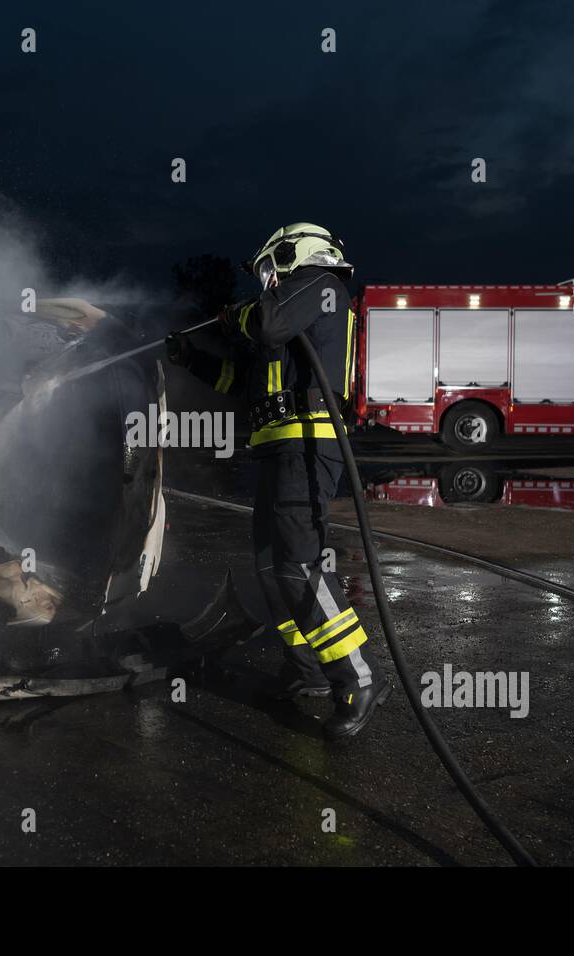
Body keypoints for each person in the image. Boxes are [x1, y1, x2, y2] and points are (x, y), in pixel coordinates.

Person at [167, 224, 390, 740]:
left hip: (307, 446)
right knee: (270, 567)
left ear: (291, 255)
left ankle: (357, 677)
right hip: (279, 447)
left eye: (268, 268)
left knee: (297, 565)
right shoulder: (288, 318)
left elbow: (264, 323)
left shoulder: (321, 285)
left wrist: (236, 313)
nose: (264, 280)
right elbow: (239, 384)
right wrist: (190, 357)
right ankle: (307, 670)